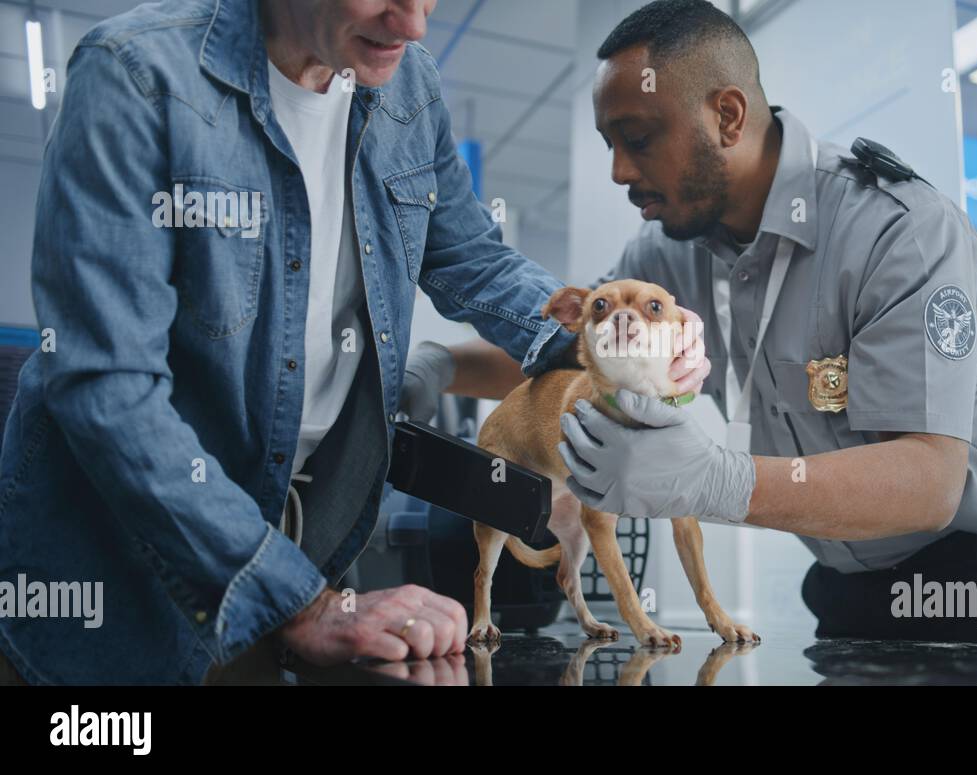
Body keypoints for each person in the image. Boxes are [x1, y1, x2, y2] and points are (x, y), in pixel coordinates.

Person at [0, 0, 708, 685]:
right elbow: (107, 388)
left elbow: (471, 258)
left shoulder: (409, 84)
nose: (413, 22)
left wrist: (625, 347)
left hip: (295, 563)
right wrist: (299, 603)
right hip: (116, 586)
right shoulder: (137, 75)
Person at [552, 0, 977, 647]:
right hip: (842, 579)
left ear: (726, 116)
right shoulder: (665, 252)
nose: (619, 172)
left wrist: (717, 480)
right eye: (610, 146)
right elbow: (577, 344)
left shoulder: (899, 228)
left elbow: (930, 482)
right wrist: (430, 369)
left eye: (637, 140)